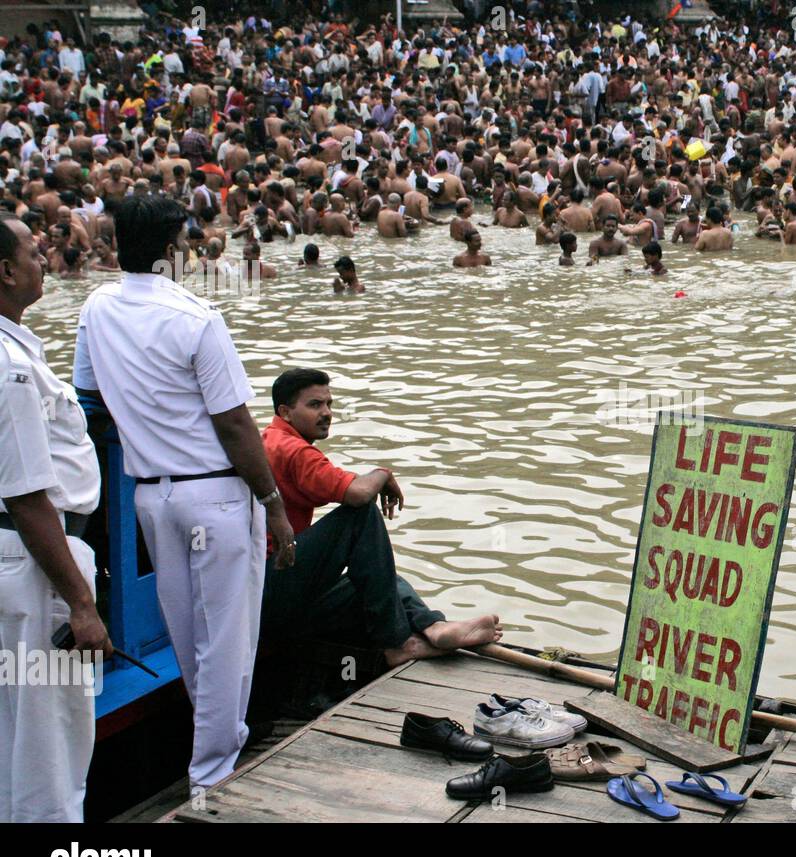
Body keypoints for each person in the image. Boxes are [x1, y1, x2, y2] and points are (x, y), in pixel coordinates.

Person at [73, 196, 296, 792]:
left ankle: (213, 753)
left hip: (152, 495)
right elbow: (234, 423)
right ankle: (213, 770)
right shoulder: (196, 316)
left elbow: (89, 399)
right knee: (226, 639)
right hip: (217, 495)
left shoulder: (97, 308)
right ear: (174, 245)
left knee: (188, 634)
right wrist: (272, 503)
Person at [260, 369, 502, 665]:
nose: (326, 413)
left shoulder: (269, 441)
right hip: (267, 591)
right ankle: (396, 643)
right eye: (315, 405)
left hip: (268, 592)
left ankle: (433, 626)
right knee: (359, 516)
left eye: (329, 404)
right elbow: (359, 493)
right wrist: (382, 473)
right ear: (285, 412)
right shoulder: (292, 450)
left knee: (380, 577)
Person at [0, 213, 110, 822]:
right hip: (39, 561)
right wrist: (82, 603)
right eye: (32, 253)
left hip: (21, 556)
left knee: (17, 741)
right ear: (5, 271)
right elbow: (26, 493)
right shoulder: (10, 365)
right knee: (51, 750)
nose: (44, 260)